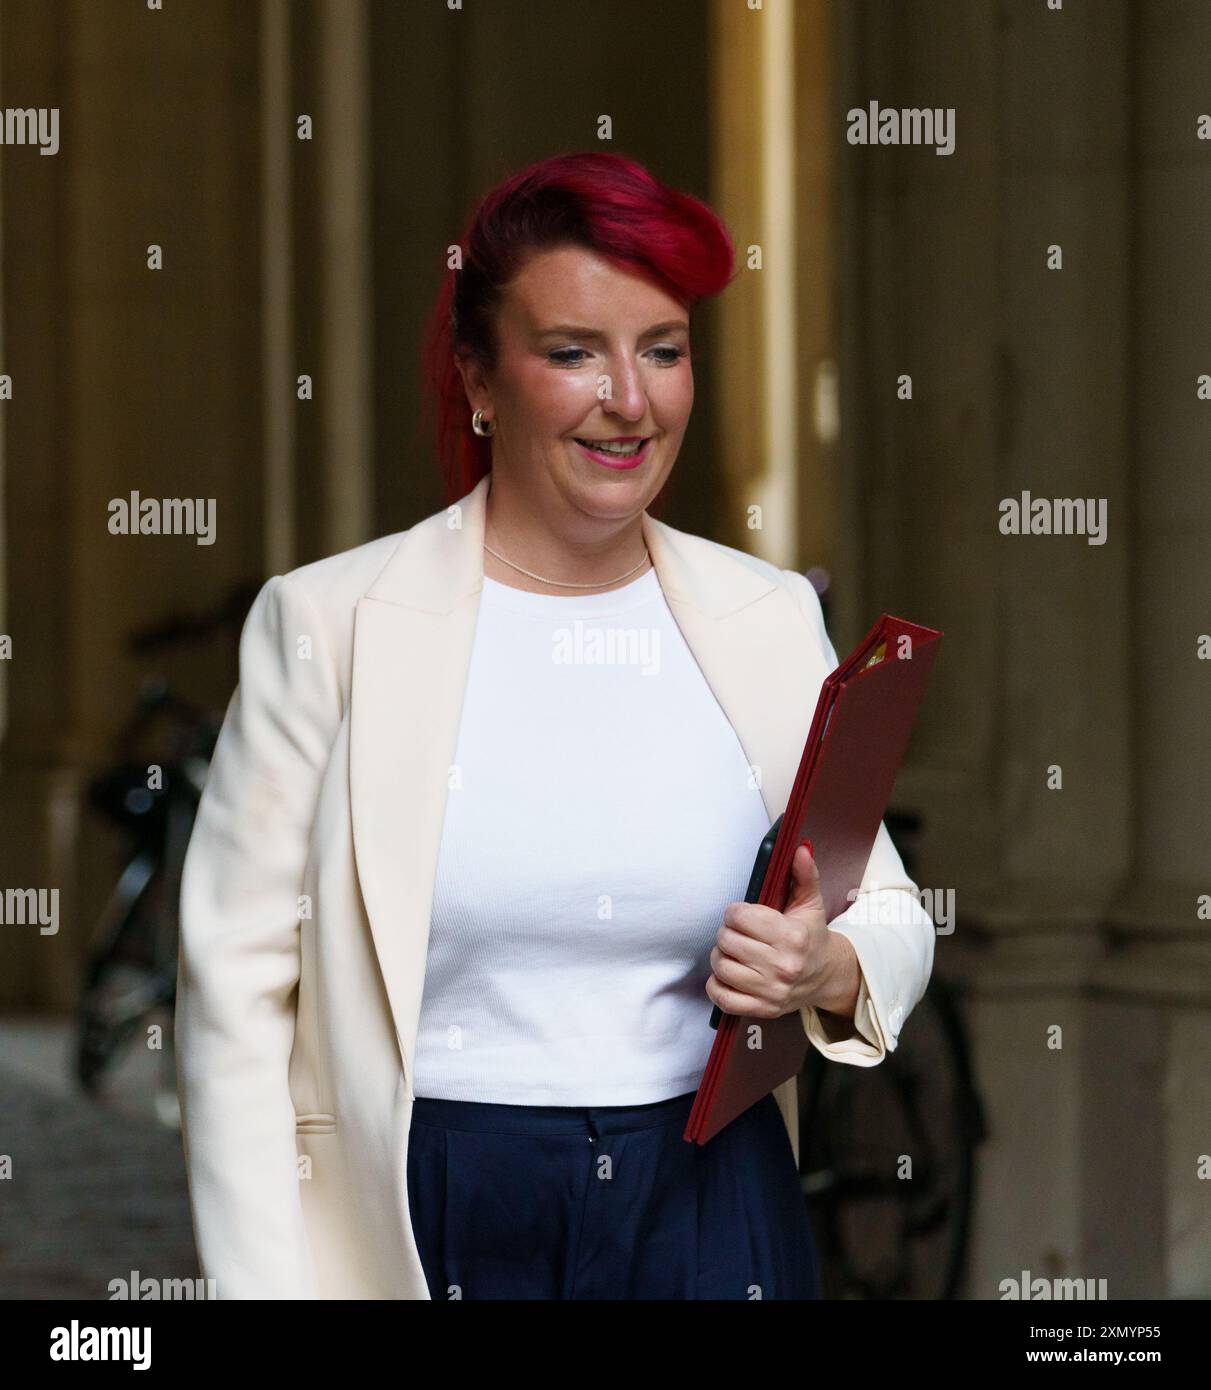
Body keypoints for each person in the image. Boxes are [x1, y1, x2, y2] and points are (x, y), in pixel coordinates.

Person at [175, 150, 935, 1300]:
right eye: (572, 351)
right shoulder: (327, 625)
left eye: (663, 349)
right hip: (436, 1206)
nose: (628, 398)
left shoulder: (767, 614)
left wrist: (822, 963)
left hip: (712, 1196)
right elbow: (234, 1003)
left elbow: (884, 907)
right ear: (478, 378)